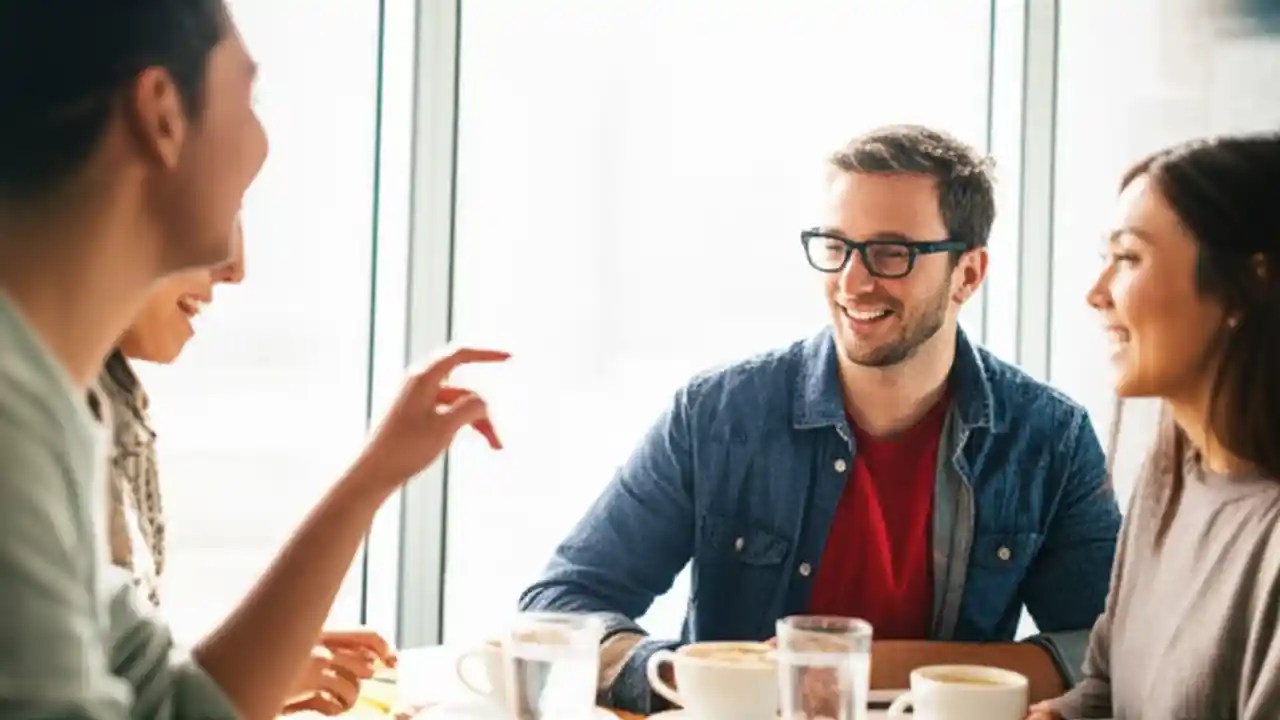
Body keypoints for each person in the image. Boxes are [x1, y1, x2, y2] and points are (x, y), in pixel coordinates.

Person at [0, 3, 506, 719]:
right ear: (162, 113)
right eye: (251, 92)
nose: (239, 267)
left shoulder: (51, 406)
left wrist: (374, 477)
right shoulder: (11, 420)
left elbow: (172, 702)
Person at [519, 124, 1122, 714]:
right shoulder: (718, 415)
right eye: (836, 246)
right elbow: (560, 605)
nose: (852, 281)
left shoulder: (1050, 438)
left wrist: (849, 667)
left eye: (892, 253)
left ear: (968, 273)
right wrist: (680, 674)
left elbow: (1106, 651)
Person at [97, 218, 400, 716]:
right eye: (221, 210)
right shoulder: (35, 425)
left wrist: (256, 665)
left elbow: (109, 672)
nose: (236, 268)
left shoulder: (111, 394)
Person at [1027, 133, 1280, 720]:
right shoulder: (1169, 478)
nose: (1096, 294)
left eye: (1130, 258)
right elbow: (1104, 691)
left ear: (1249, 284)